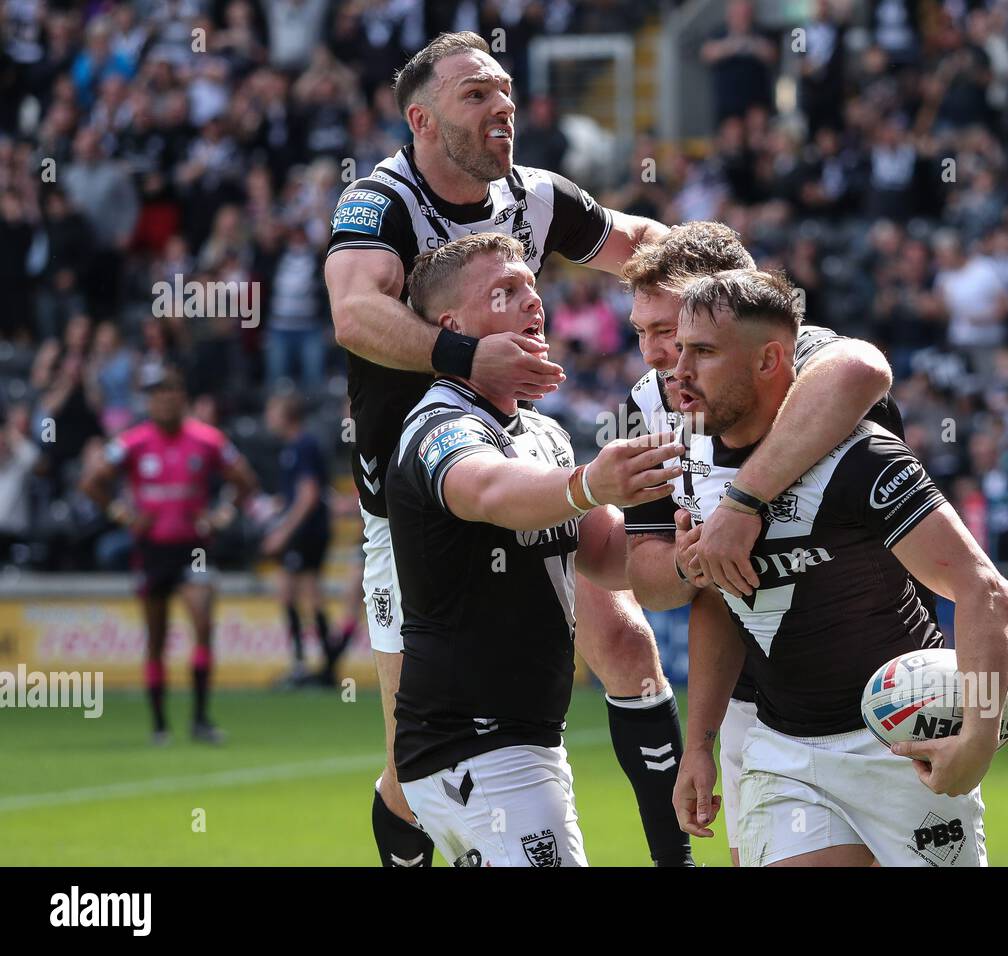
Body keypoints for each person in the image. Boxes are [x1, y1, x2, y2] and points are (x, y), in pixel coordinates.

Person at [324, 31, 690, 866]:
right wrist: (464, 355)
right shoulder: (379, 201)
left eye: (507, 97)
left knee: (630, 647)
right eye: (476, 95)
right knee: (412, 768)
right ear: (420, 118)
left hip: (522, 454)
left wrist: (737, 282)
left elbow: (642, 248)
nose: (503, 110)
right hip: (417, 504)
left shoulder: (536, 196)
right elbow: (353, 314)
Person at [661, 269, 1008, 866]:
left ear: (771, 360)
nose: (679, 371)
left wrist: (978, 736)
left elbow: (985, 591)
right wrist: (698, 743)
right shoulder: (693, 461)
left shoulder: (861, 456)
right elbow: (723, 603)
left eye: (704, 352)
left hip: (899, 745)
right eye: (679, 350)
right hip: (783, 751)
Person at [386, 234, 684, 866]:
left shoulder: (541, 430)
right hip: (470, 744)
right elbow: (489, 490)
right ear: (455, 327)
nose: (533, 302)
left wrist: (693, 539)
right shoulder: (438, 423)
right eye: (506, 292)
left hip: (526, 741)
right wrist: (588, 483)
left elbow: (605, 552)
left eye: (530, 285)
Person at [616, 221, 900, 862]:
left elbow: (864, 369)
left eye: (671, 331)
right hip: (755, 702)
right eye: (643, 332)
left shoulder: (803, 358)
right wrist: (692, 563)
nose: (660, 355)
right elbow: (651, 580)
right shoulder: (649, 405)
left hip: (872, 688)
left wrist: (743, 504)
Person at [81, 363, 258, 742]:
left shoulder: (207, 440)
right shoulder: (132, 442)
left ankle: (199, 719)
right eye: (157, 396)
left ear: (183, 400)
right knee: (156, 636)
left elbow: (245, 480)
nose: (165, 403)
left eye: (171, 395)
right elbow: (91, 481)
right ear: (149, 402)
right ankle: (160, 725)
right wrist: (121, 514)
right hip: (152, 548)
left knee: (203, 625)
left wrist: (222, 515)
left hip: (194, 549)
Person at [262, 390, 342, 687]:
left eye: (272, 411)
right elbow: (299, 494)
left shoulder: (302, 445)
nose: (268, 418)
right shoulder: (294, 447)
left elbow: (308, 496)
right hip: (309, 530)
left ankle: (308, 666)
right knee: (308, 593)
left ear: (287, 414)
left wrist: (282, 532)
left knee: (294, 593)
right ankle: (325, 667)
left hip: (306, 531)